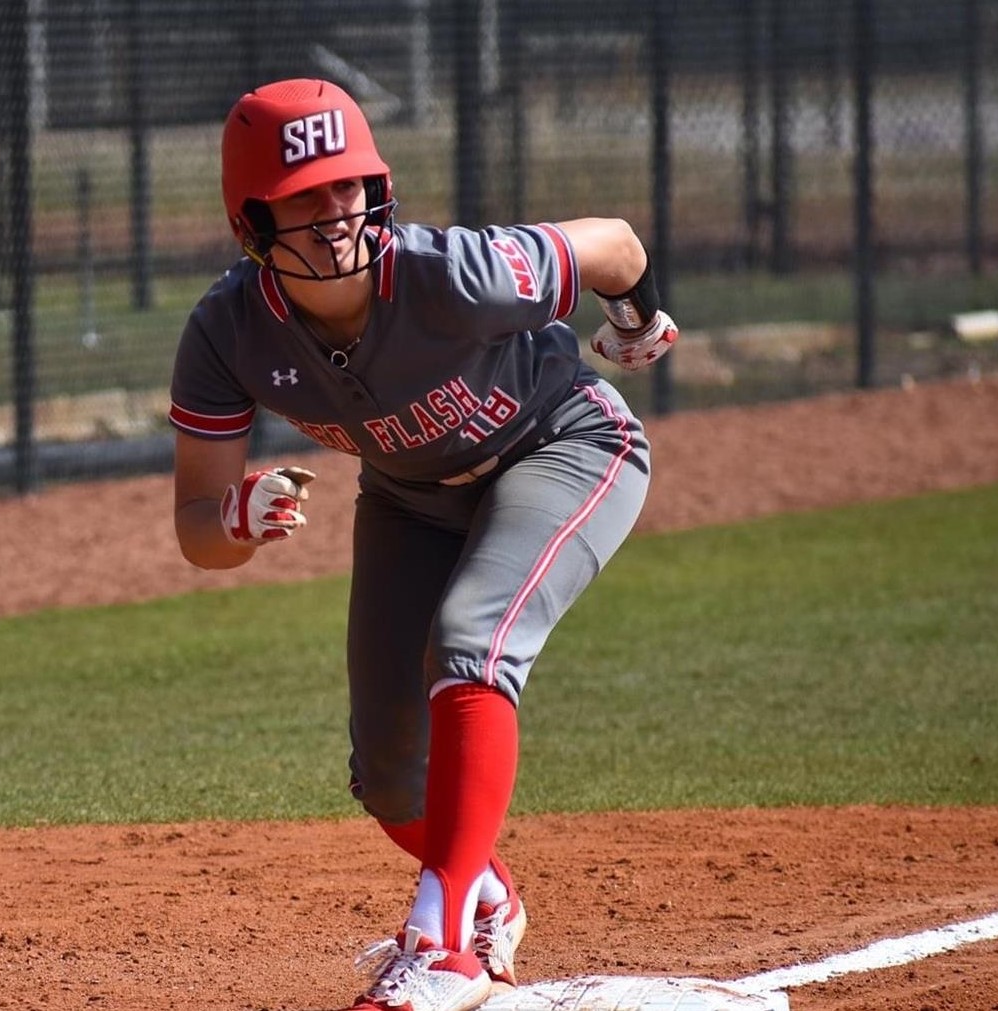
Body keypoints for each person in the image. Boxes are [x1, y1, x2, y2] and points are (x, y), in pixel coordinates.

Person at [167, 79, 679, 1011]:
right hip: (407, 498)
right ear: (251, 224)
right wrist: (234, 520)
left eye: (349, 185)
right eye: (304, 195)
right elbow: (198, 529)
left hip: (562, 445)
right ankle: (485, 893)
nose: (336, 212)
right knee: (391, 778)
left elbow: (614, 243)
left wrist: (635, 319)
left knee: (470, 643)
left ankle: (440, 948)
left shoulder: (455, 273)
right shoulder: (225, 332)